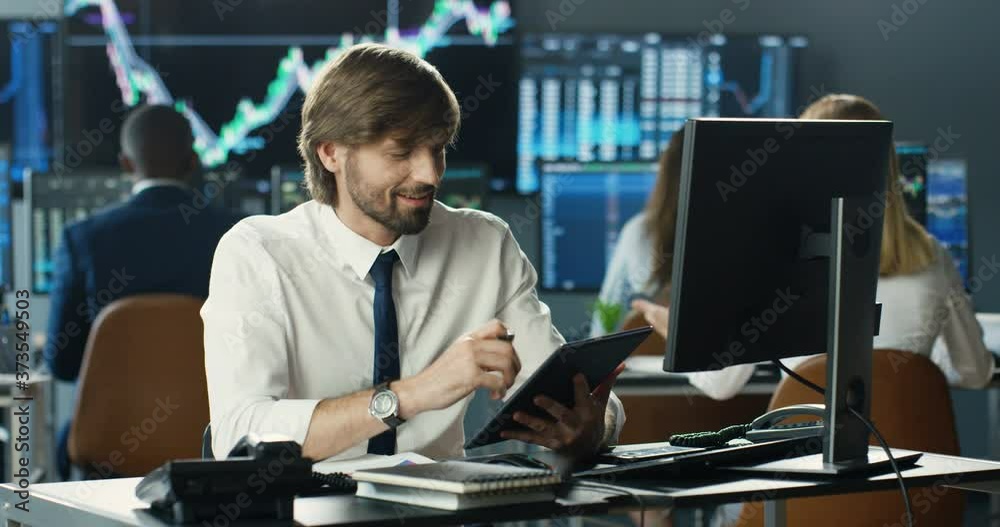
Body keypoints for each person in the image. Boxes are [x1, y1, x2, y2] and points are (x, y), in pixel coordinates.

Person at [201, 43, 625, 462]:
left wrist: (593, 428)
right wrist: (412, 395)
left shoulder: (484, 243)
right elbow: (238, 435)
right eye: (401, 152)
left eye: (438, 149)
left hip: (441, 499)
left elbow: (570, 395)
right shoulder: (259, 254)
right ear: (330, 153)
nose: (430, 174)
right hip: (308, 500)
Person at [621, 94, 994, 401]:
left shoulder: (778, 255)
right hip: (913, 464)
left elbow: (721, 385)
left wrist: (675, 331)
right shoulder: (932, 254)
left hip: (807, 464)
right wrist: (910, 365)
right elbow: (975, 372)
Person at [44, 104, 243, 479]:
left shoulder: (83, 239)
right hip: (213, 448)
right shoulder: (238, 235)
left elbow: (62, 364)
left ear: (125, 164)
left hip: (108, 451)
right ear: (193, 162)